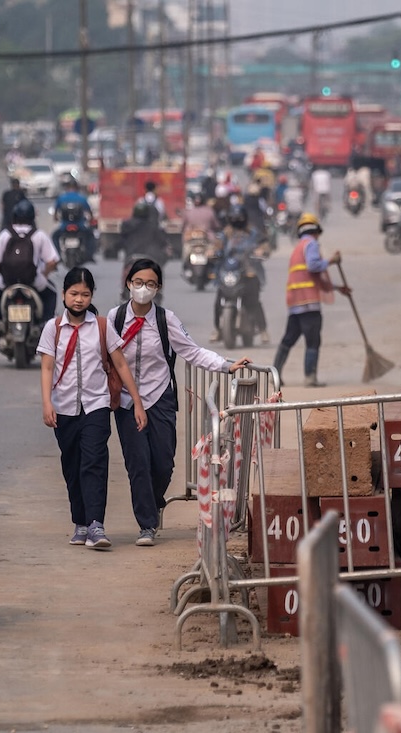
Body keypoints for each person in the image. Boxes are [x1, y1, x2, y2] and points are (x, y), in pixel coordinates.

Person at [108, 258, 252, 545]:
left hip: (159, 396)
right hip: (126, 401)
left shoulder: (166, 320)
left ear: (158, 288)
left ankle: (154, 502)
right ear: (128, 284)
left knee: (163, 462)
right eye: (138, 282)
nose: (143, 288)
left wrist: (226, 366)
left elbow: (192, 351)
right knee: (138, 462)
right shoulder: (115, 318)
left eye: (150, 284)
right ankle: (147, 524)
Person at [38, 267, 147, 549]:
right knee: (72, 465)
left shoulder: (101, 326)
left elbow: (120, 363)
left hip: (96, 405)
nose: (79, 300)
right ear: (64, 294)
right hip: (64, 408)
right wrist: (47, 402)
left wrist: (137, 401)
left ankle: (97, 524)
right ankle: (81, 523)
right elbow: (47, 367)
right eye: (74, 293)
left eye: (85, 294)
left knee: (95, 461)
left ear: (91, 296)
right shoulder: (52, 329)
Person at [272, 213, 350, 388]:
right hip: (309, 303)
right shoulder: (312, 244)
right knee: (313, 340)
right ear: (316, 231)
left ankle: (275, 374)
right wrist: (331, 261)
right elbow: (313, 266)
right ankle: (310, 377)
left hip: (295, 302)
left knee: (289, 338)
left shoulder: (298, 248)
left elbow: (312, 277)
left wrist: (337, 288)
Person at [0, 199, 59, 335]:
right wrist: (44, 274)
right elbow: (52, 261)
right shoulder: (39, 235)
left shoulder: (5, 234)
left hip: (6, 282)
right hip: (33, 281)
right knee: (51, 293)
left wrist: (3, 271)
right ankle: (47, 323)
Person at [210, 204, 268, 344]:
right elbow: (216, 246)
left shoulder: (253, 233)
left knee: (253, 301)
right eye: (233, 218)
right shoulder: (225, 234)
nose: (236, 221)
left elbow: (264, 245)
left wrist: (261, 251)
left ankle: (263, 330)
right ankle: (218, 329)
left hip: (249, 272)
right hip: (229, 272)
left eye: (239, 218)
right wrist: (211, 252)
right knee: (218, 300)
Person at [52, 177, 95, 262]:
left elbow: (55, 214)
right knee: (90, 236)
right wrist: (90, 220)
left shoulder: (61, 198)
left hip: (64, 227)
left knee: (55, 236)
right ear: (77, 187)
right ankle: (89, 256)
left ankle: (58, 255)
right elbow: (89, 212)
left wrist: (56, 219)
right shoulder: (82, 198)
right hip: (80, 226)